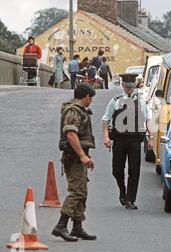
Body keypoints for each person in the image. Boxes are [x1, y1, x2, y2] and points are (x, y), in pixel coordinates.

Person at [52, 84, 97, 242]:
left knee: (82, 191)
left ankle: (77, 227)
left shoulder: (79, 110)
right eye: (91, 97)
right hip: (74, 156)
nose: (91, 101)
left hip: (78, 155)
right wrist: (82, 156)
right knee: (77, 191)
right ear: (86, 97)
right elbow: (71, 134)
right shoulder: (73, 111)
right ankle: (61, 225)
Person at [102, 74, 153, 210]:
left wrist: (151, 137)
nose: (129, 88)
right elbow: (105, 120)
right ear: (123, 86)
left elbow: (148, 118)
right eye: (126, 86)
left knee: (134, 170)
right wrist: (106, 137)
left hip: (135, 139)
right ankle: (122, 190)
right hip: (119, 139)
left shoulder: (141, 101)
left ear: (134, 86)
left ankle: (130, 199)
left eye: (131, 86)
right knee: (117, 170)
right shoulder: (115, 101)